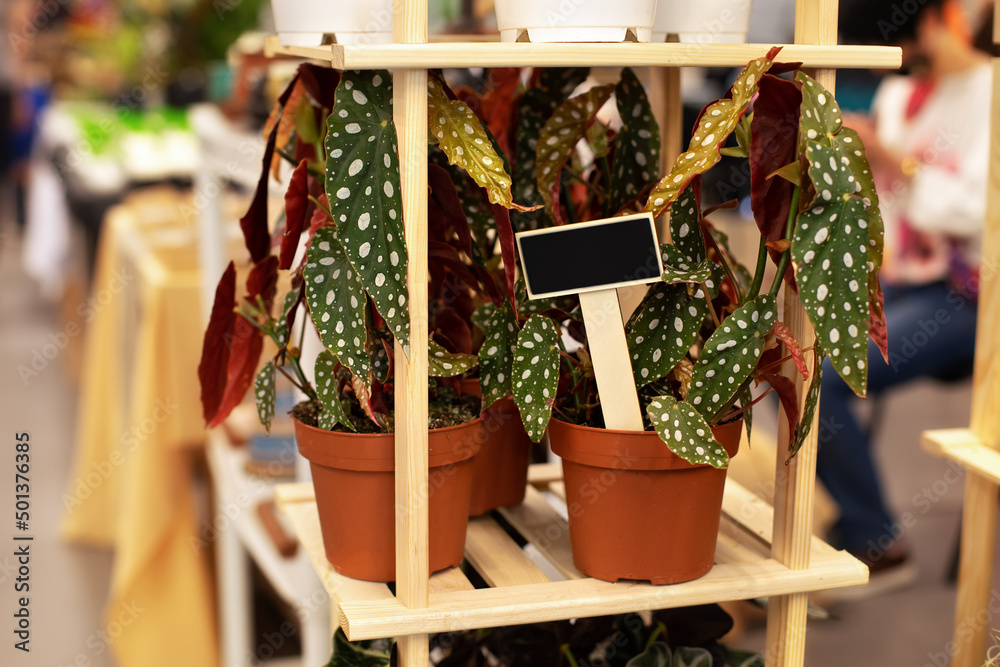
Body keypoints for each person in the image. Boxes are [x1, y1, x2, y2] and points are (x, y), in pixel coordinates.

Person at [817, 0, 990, 596]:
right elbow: (885, 213)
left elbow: (976, 215)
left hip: (972, 297)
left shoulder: (989, 92)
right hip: (904, 278)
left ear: (940, 21)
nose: (906, 54)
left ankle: (875, 537)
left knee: (824, 373)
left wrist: (897, 163)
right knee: (790, 353)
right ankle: (854, 521)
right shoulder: (904, 95)